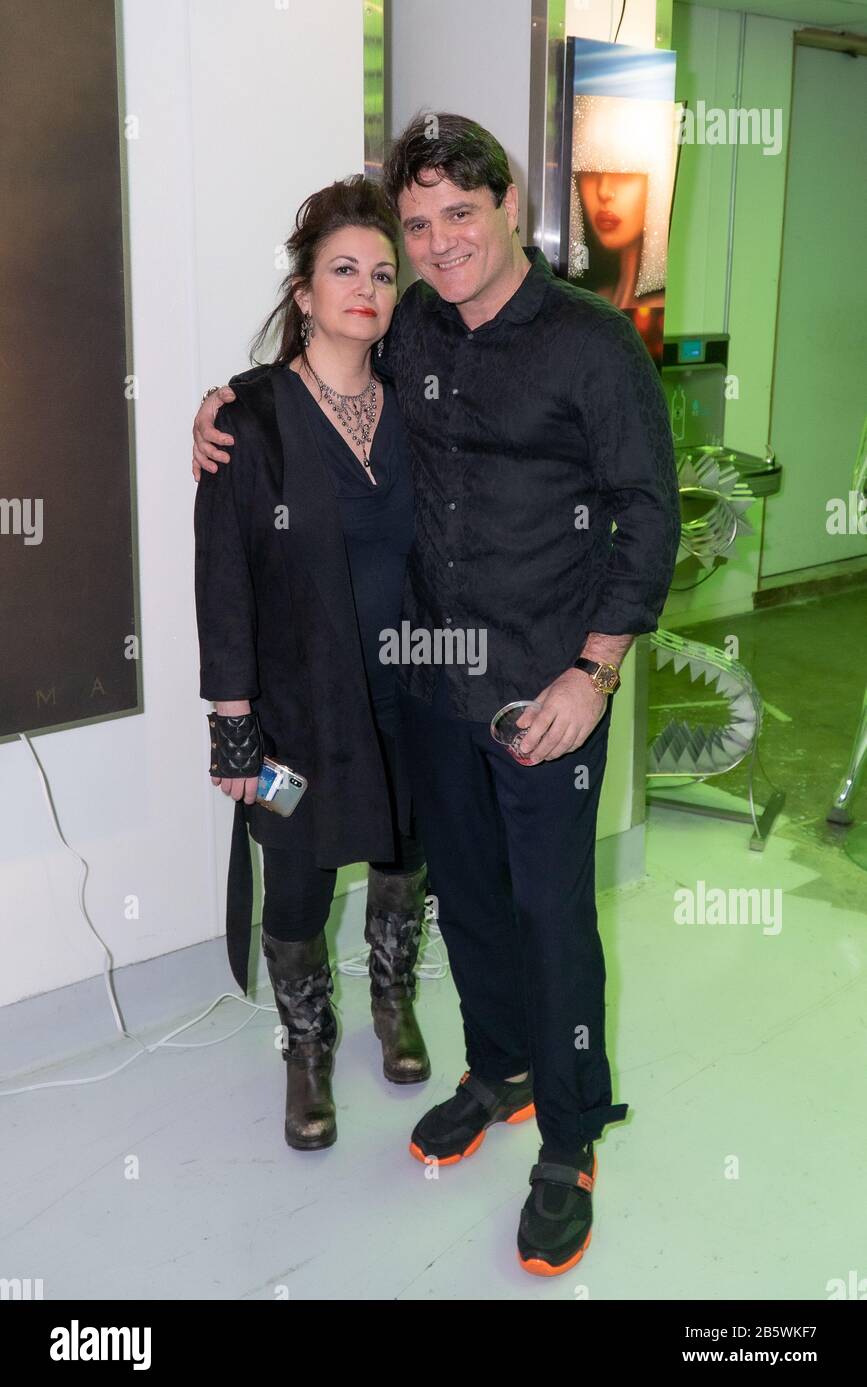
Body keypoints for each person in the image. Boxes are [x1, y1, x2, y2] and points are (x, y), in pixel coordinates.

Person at [193, 114, 681, 1276]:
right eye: (417, 225)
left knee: (552, 916)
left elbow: (648, 515)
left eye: (459, 213)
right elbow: (315, 362)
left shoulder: (591, 345)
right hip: (435, 691)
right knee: (464, 898)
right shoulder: (413, 323)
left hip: (545, 696)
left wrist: (593, 671)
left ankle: (568, 1138)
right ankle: (500, 1068)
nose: (437, 240)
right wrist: (220, 408)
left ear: (508, 204)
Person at [194, 175, 430, 1155]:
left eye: (383, 272)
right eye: (345, 269)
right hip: (292, 718)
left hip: (405, 696)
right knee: (293, 874)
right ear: (304, 292)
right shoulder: (249, 417)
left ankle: (393, 996)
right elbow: (223, 580)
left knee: (403, 853)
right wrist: (234, 725)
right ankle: (305, 1046)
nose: (366, 287)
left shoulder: (419, 405)